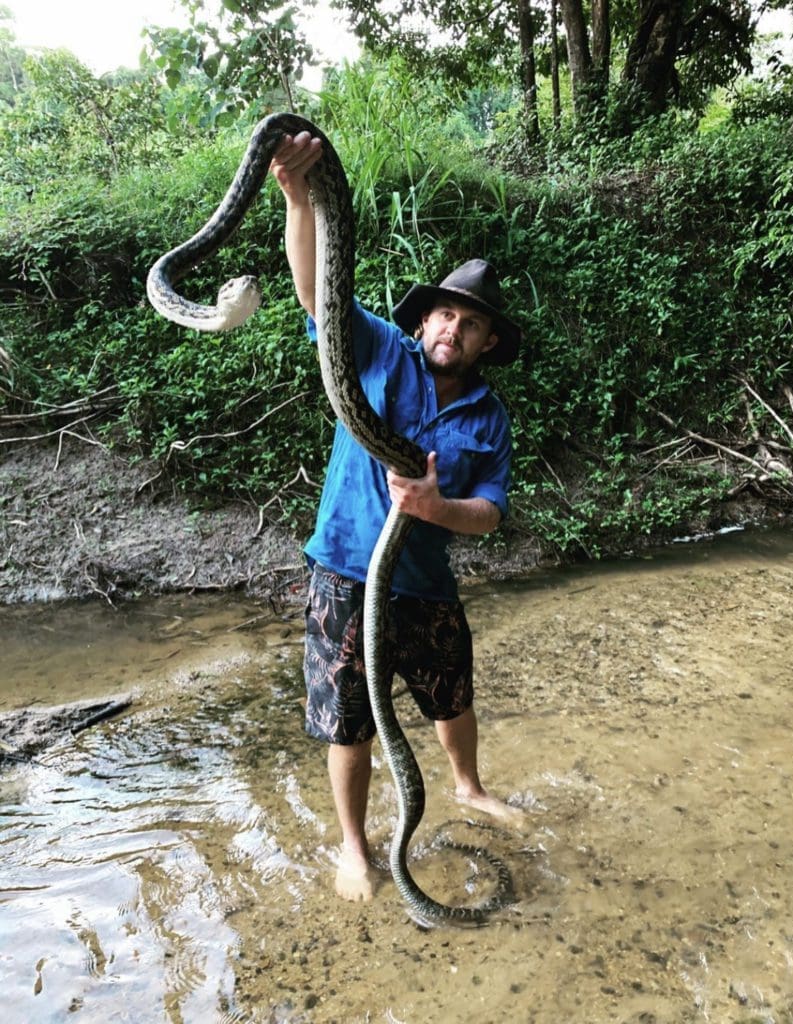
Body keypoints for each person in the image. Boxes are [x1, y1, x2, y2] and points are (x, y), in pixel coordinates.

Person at [269, 129, 523, 903]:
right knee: (349, 716)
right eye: (443, 315)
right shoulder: (376, 349)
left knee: (452, 692)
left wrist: (436, 505)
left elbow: (490, 514)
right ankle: (355, 846)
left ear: (484, 343)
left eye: (469, 323)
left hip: (424, 578)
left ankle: (469, 788)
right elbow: (315, 289)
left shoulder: (491, 417)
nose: (452, 328)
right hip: (348, 566)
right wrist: (296, 195)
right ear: (423, 325)